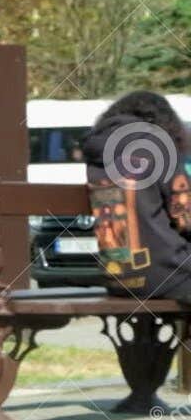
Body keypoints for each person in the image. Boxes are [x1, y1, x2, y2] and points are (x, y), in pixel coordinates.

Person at [84, 90, 191, 299]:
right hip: (168, 273)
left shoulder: (96, 153)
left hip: (117, 277)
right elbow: (185, 218)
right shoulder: (160, 146)